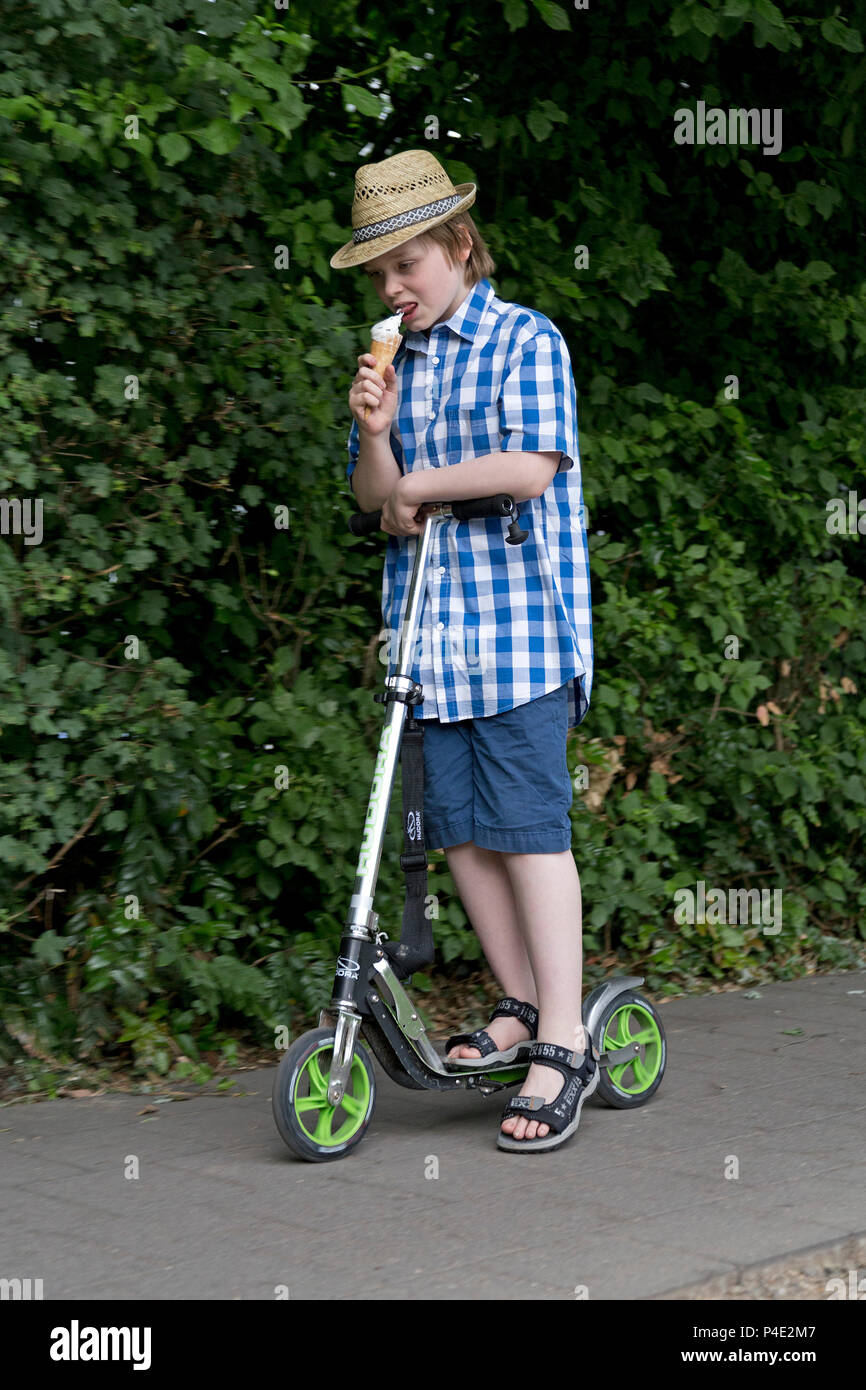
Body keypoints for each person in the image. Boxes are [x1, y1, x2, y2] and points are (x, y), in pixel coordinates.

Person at [330, 149, 598, 1152]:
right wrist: (374, 435)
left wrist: (415, 485)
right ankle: (521, 1001)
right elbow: (376, 500)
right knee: (460, 833)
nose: (391, 289)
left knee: (528, 830)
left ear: (455, 244)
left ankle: (564, 1040)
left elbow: (528, 465)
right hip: (431, 645)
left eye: (404, 265)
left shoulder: (525, 341)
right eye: (377, 276)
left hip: (521, 640)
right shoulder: (399, 365)